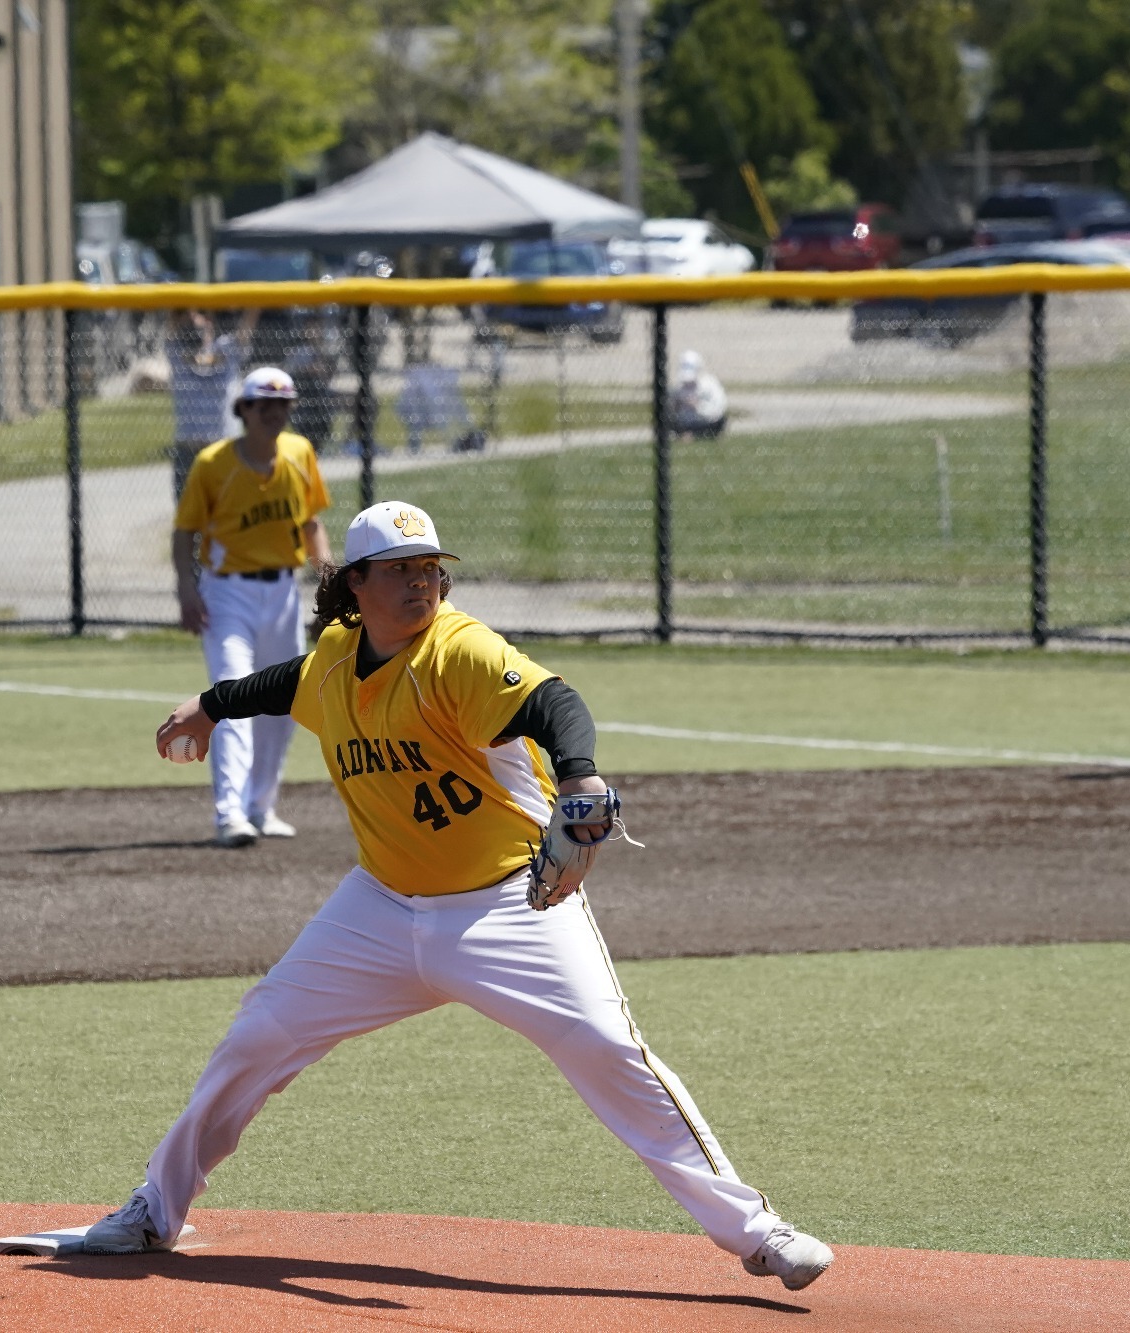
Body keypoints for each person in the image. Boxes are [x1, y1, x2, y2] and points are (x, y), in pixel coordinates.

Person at [79, 500, 836, 1292]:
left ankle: (760, 1233)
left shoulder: (459, 649)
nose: (422, 582)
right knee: (258, 1035)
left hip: (511, 906)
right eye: (401, 569)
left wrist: (578, 772)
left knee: (609, 1048)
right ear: (356, 582)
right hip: (377, 910)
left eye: (431, 568)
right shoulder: (334, 659)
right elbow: (283, 683)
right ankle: (154, 1209)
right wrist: (210, 704)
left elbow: (554, 702)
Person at [172, 366, 333, 846]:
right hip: (228, 593)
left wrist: (328, 583)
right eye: (264, 403)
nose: (274, 412)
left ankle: (260, 807)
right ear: (243, 409)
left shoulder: (299, 453)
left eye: (283, 404)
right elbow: (184, 532)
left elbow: (311, 524)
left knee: (283, 702)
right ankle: (230, 814)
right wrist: (186, 589)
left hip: (283, 590)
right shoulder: (213, 463)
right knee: (232, 693)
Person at [165, 311, 242, 502]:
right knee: (186, 512)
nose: (193, 327)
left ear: (210, 325)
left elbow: (247, 327)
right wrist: (185, 308)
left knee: (228, 510)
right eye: (188, 324)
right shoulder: (177, 354)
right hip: (189, 452)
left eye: (199, 325)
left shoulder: (227, 350)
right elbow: (172, 320)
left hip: (223, 450)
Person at [669, 350, 728, 439]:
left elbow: (718, 411)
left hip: (706, 421)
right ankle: (685, 433)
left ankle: (692, 434)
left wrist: (698, 405)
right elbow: (674, 412)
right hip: (685, 422)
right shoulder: (679, 388)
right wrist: (676, 405)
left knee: (718, 423)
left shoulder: (710, 385)